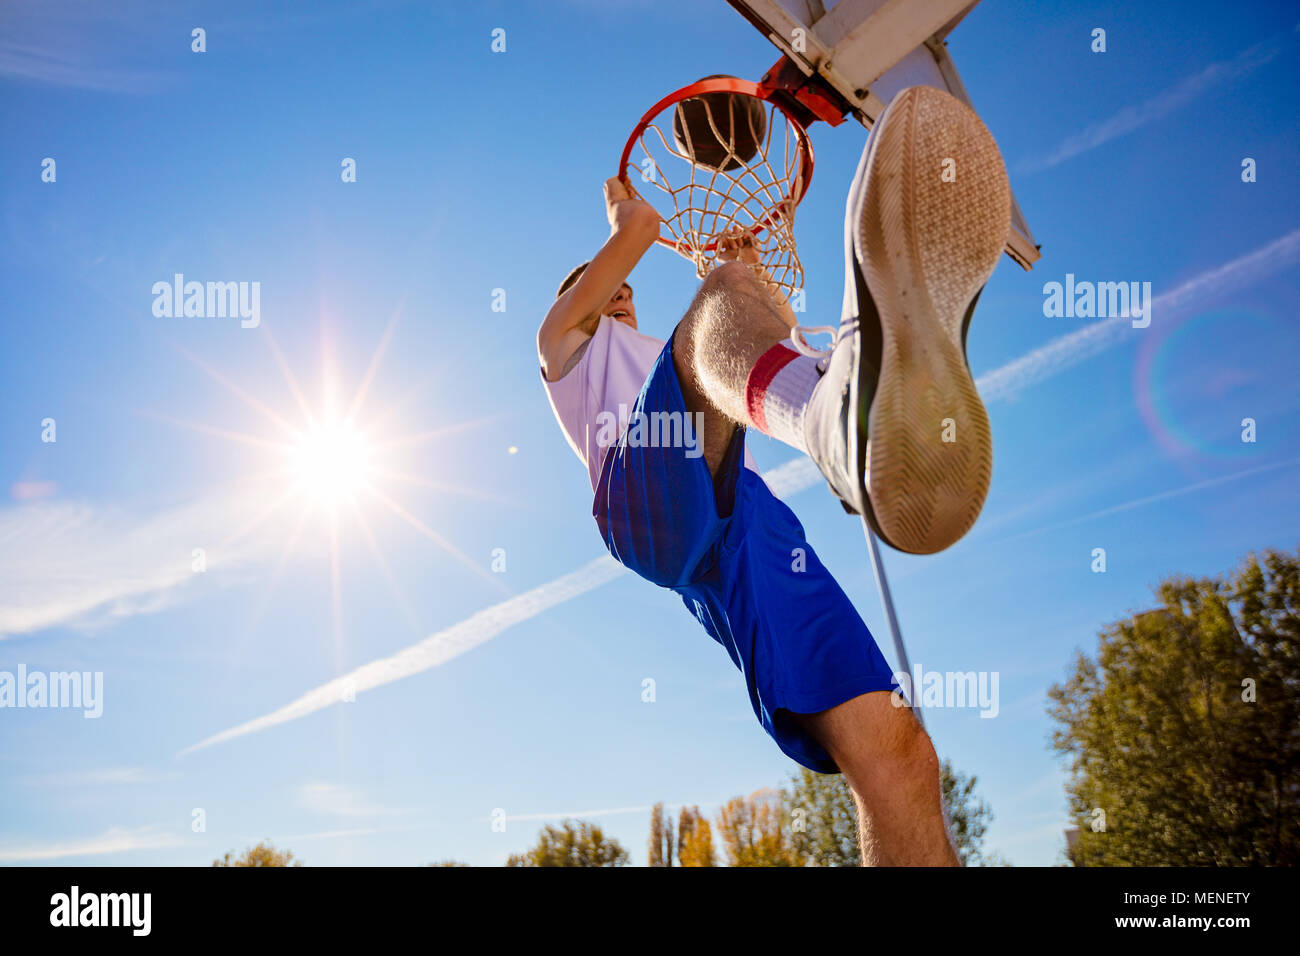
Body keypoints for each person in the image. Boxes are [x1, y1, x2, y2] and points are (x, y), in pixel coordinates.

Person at [537, 86, 1011, 865]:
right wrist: (621, 209)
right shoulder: (560, 346)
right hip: (642, 497)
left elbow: (739, 334)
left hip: (747, 522)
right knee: (716, 307)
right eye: (599, 287)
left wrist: (745, 278)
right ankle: (832, 420)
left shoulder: (668, 351)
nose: (616, 291)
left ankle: (841, 412)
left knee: (899, 759)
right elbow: (645, 229)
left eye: (621, 289)